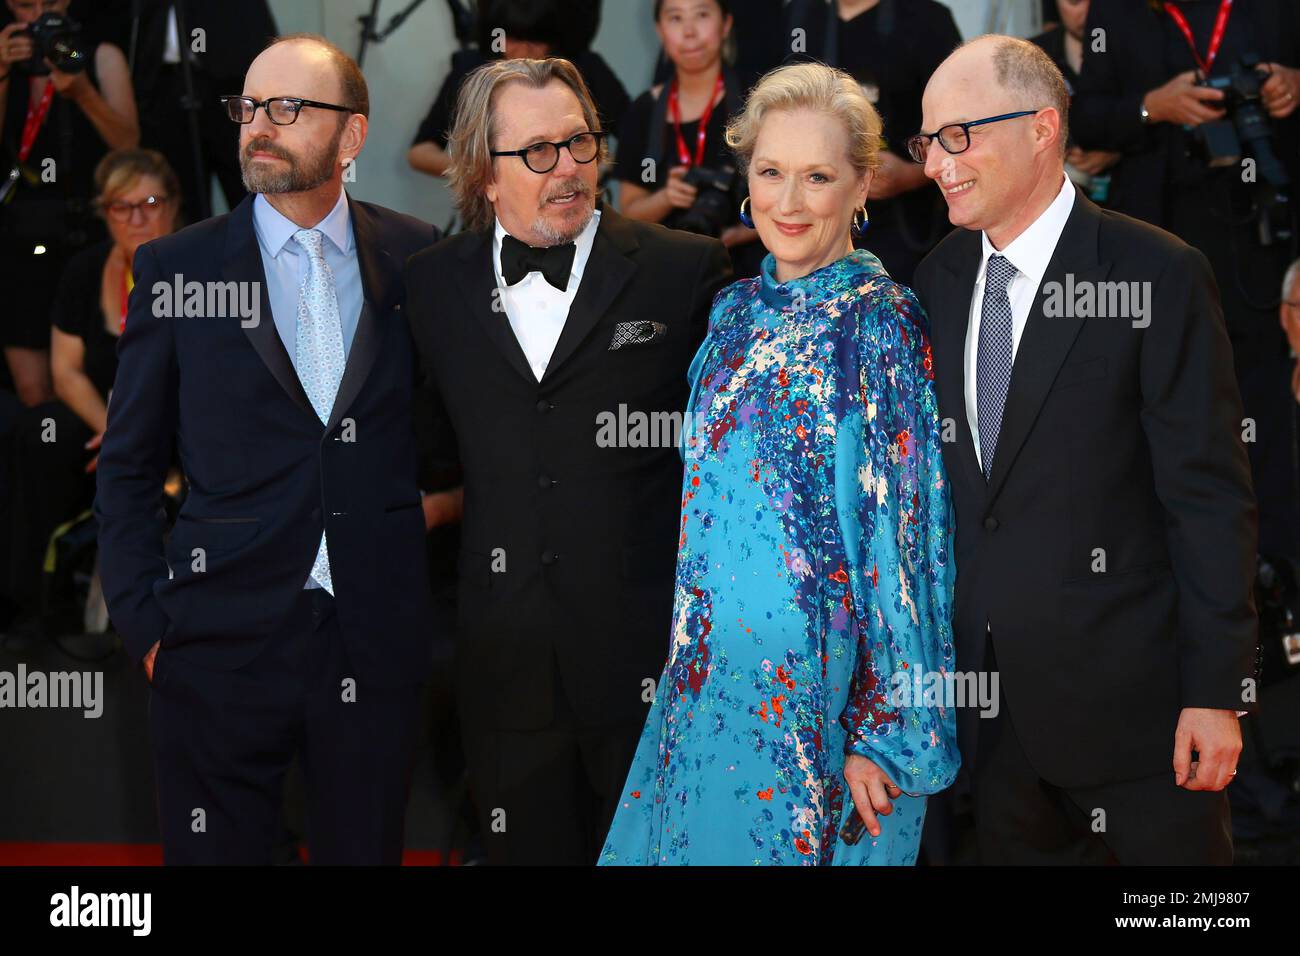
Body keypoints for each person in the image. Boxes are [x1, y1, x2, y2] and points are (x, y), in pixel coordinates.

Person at [910, 35, 1258, 864]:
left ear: (1041, 128)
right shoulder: (936, 280)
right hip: (989, 731)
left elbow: (1207, 498)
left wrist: (1217, 693)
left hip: (1141, 721)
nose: (934, 165)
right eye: (926, 142)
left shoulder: (1157, 272)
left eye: (958, 136)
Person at [95, 33, 442, 864]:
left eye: (287, 108)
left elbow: (444, 434)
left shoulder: (416, 255)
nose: (259, 126)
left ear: (351, 137)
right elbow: (129, 463)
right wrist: (148, 626)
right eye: (248, 107)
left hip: (371, 638)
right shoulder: (177, 266)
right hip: (218, 642)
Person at [601, 61, 959, 866]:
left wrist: (888, 736)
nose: (789, 202)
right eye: (770, 172)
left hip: (823, 714)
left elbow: (908, 548)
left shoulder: (881, 323)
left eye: (818, 177)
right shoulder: (731, 311)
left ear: (862, 186)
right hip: (707, 688)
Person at [404, 56, 731, 865]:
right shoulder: (430, 288)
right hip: (503, 662)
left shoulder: (681, 270)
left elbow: (731, 471)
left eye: (580, 144)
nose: (569, 169)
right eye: (538, 153)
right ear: (483, 174)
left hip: (652, 662)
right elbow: (429, 455)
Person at [1072, 0, 1300, 557]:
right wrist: (1153, 108)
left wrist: (1293, 83)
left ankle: (1276, 571)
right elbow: (1084, 118)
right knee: (1164, 400)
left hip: (1262, 237)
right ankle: (1174, 558)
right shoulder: (1115, 13)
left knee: (1264, 405)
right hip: (1157, 241)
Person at [3, 149, 178, 640]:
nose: (138, 218)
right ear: (106, 213)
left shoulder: (201, 270)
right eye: (122, 206)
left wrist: (143, 438)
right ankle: (37, 601)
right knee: (43, 433)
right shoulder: (84, 270)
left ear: (173, 205)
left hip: (178, 416)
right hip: (106, 418)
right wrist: (115, 432)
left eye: (150, 202)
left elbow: (211, 374)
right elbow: (66, 371)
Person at [0, 0, 138, 408]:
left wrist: (82, 92)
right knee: (34, 392)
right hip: (19, 241)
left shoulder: (99, 54)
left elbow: (129, 144)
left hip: (87, 237)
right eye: (27, 6)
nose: (40, 16)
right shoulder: (6, 61)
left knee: (98, 379)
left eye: (52, 4)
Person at [782, 0, 963, 286]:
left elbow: (960, 125)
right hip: (817, 222)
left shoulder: (926, 19)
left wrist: (912, 173)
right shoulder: (801, 14)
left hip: (907, 227)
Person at [615, 0, 762, 277]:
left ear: (726, 24)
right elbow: (629, 214)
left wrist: (739, 233)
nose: (689, 31)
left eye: (702, 15)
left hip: (747, 273)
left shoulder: (759, 102)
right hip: (667, 272)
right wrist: (666, 198)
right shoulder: (644, 110)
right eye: (675, 18)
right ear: (660, 30)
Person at [407, 0, 628, 182]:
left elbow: (639, 140)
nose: (523, 52)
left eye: (535, 42)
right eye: (513, 40)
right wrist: (484, 171)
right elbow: (420, 153)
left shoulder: (584, 68)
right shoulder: (473, 69)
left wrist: (597, 165)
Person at [1029, 0, 1120, 202]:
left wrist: (1117, 149)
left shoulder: (1138, 53)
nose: (1089, 12)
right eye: (1075, 2)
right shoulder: (1030, 56)